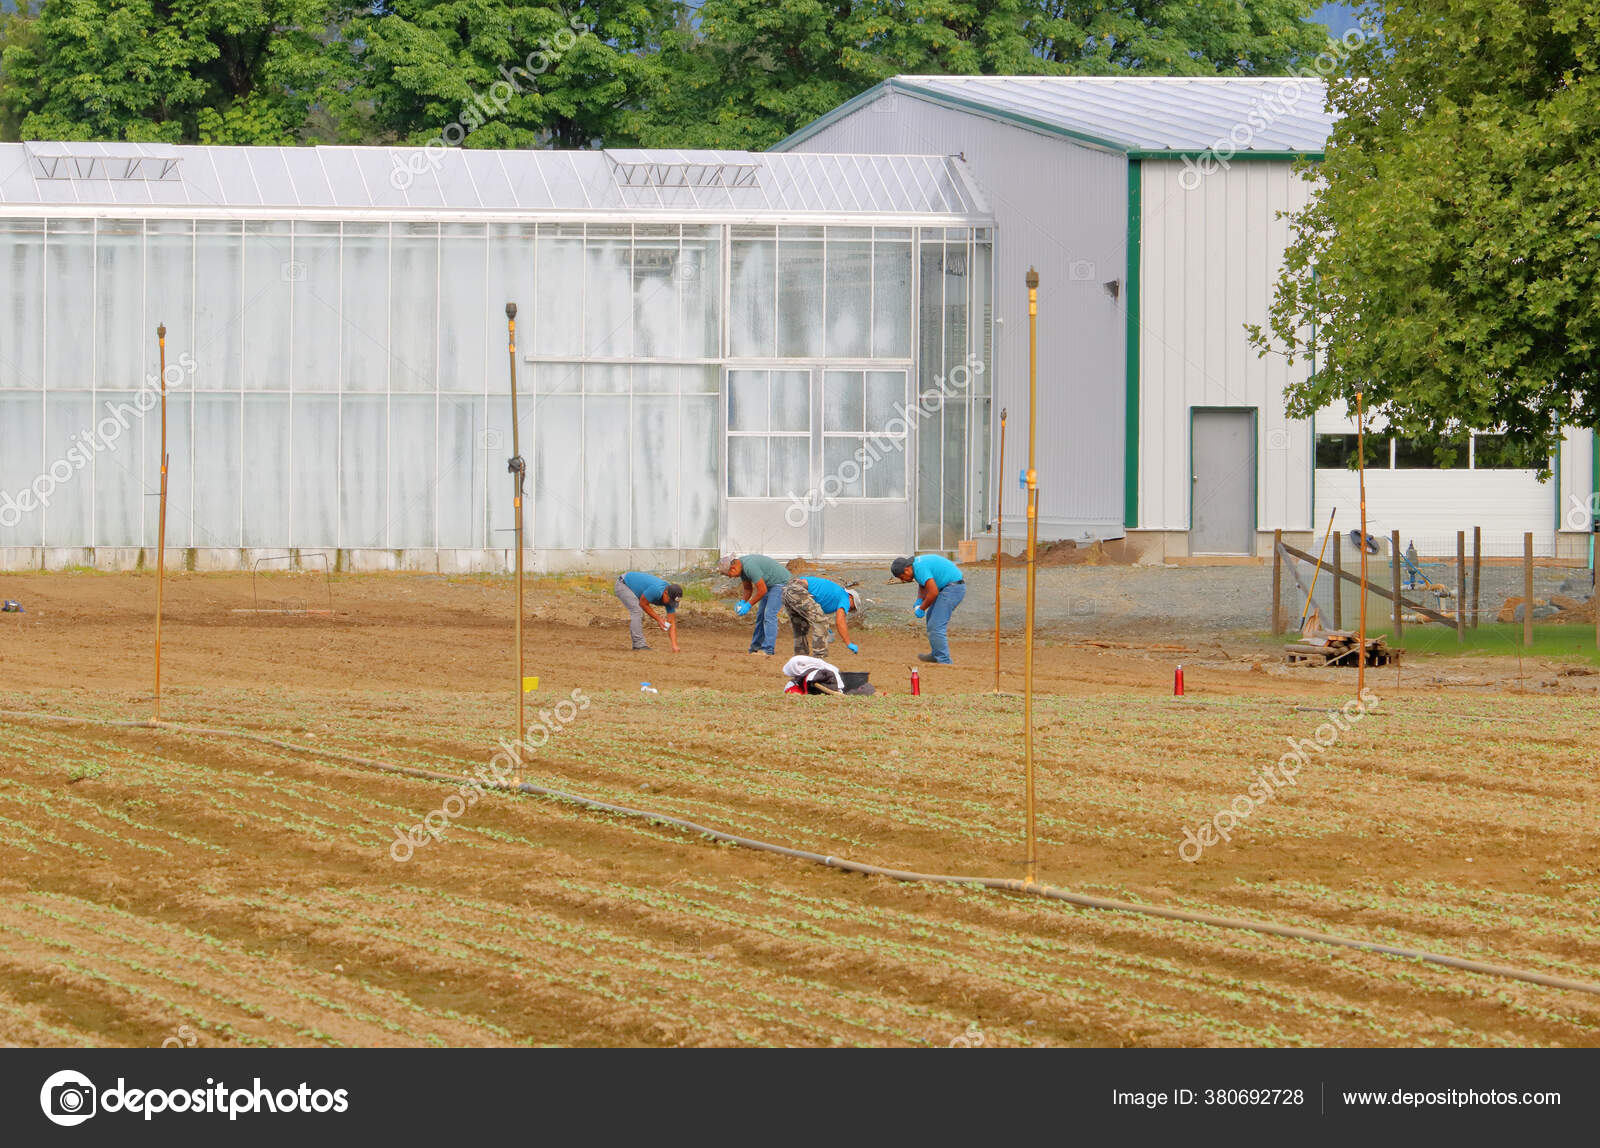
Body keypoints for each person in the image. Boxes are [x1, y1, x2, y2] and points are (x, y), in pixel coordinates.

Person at [891, 554, 965, 664]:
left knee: (936, 625)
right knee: (931, 620)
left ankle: (944, 661)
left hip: (953, 588)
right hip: (948, 587)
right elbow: (923, 584)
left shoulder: (919, 568)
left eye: (902, 577)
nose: (903, 580)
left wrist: (922, 608)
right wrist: (919, 599)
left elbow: (933, 592)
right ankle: (937, 654)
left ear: (906, 570)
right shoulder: (916, 566)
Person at [718, 554, 789, 655]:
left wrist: (748, 605)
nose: (731, 578)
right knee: (760, 615)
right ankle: (755, 648)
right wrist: (743, 601)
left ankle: (768, 650)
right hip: (769, 584)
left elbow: (762, 590)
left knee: (769, 614)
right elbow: (748, 588)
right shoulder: (741, 569)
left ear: (733, 568)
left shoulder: (749, 567)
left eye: (729, 575)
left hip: (781, 583)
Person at [781, 575, 861, 658]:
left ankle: (800, 658)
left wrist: (827, 628)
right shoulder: (845, 597)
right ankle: (819, 659)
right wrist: (848, 642)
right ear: (851, 597)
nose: (848, 610)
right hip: (798, 589)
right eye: (852, 607)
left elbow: (813, 609)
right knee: (821, 623)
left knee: (801, 627)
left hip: (788, 589)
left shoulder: (833, 596)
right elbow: (840, 622)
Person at [613, 571, 682, 652]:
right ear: (665, 593)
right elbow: (643, 604)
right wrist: (659, 619)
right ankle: (638, 645)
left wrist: (674, 645)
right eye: (670, 601)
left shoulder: (670, 597)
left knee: (639, 614)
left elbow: (671, 622)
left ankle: (638, 644)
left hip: (633, 587)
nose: (670, 604)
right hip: (623, 584)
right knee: (637, 611)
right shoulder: (656, 590)